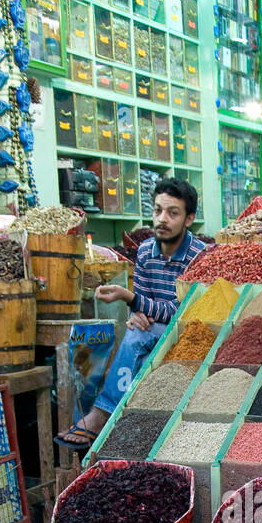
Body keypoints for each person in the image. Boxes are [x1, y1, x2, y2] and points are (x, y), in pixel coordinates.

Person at [56, 177, 206, 449]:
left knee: (136, 339)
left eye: (173, 213)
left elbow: (180, 311)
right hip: (154, 330)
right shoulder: (146, 251)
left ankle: (101, 414)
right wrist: (136, 311)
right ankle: (121, 434)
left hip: (191, 330)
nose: (162, 219)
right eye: (157, 210)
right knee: (136, 333)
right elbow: (144, 303)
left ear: (189, 219)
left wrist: (132, 300)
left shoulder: (200, 256)